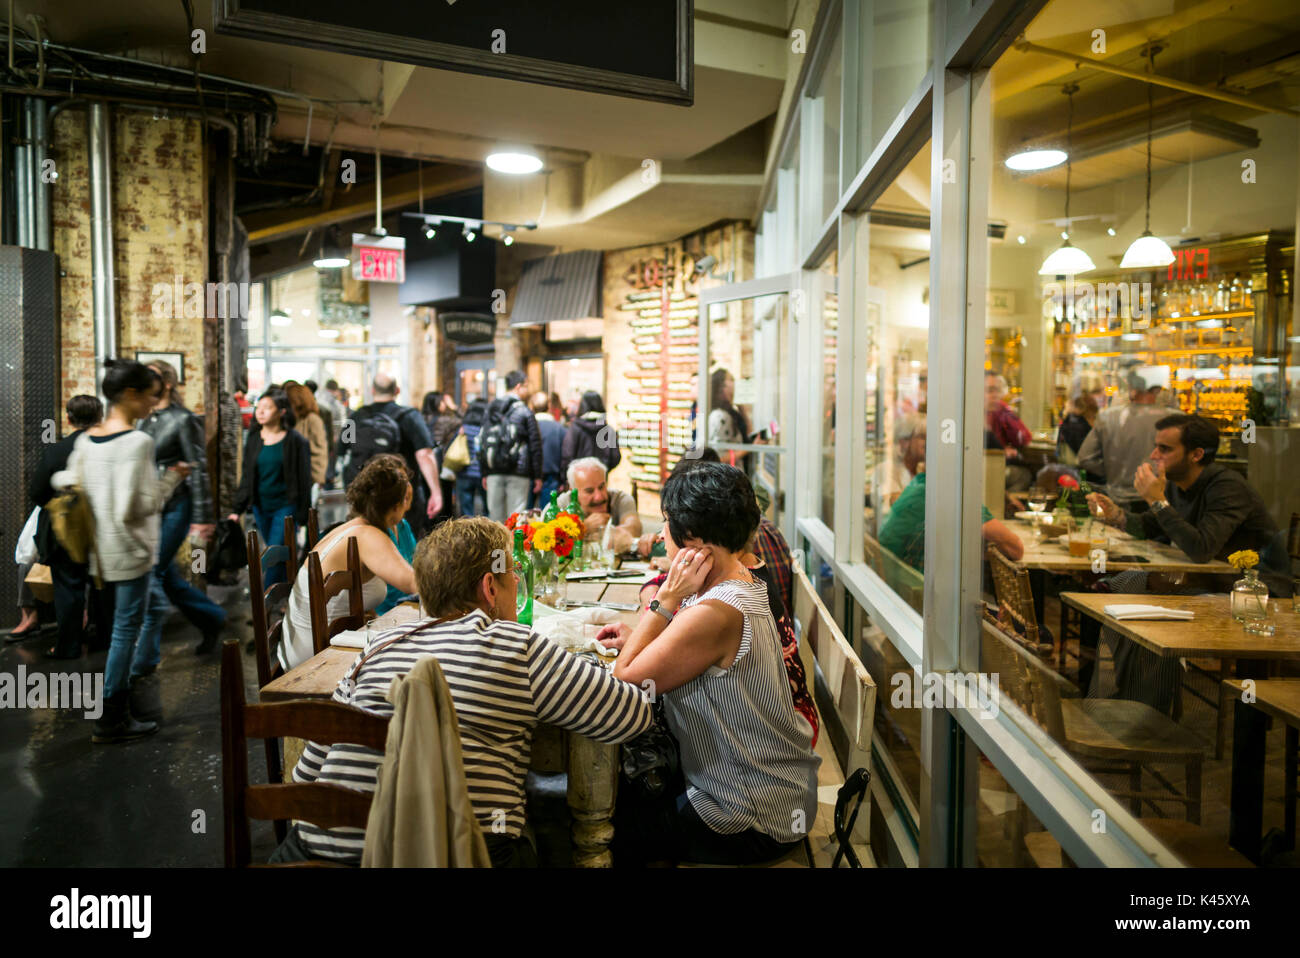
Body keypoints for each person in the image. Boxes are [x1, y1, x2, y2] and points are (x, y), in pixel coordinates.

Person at [279, 517, 653, 866]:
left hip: (322, 854)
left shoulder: (376, 646)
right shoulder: (514, 644)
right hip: (460, 851)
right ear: (490, 588)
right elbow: (632, 716)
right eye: (513, 575)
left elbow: (305, 774)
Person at [595, 462, 819, 866]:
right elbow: (687, 652)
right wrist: (652, 640)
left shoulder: (716, 611)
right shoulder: (741, 580)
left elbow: (622, 682)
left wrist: (664, 597)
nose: (662, 534)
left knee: (614, 825)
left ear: (696, 543)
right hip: (782, 790)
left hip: (750, 816)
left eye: (666, 523)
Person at [1086, 414, 1290, 712]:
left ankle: (1145, 711)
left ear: (1196, 454)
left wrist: (1157, 502)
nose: (1155, 455)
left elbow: (1201, 548)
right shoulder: (1175, 484)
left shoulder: (1227, 487)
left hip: (1255, 596)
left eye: (1165, 449)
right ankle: (1125, 701)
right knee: (1126, 589)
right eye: (1156, 447)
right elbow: (1151, 526)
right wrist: (1115, 514)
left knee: (1153, 610)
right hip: (1208, 583)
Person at [52, 360, 189, 744]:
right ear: (130, 395)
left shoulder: (86, 440)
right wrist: (173, 479)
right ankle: (112, 716)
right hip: (131, 551)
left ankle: (117, 706)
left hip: (98, 552)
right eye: (150, 395)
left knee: (119, 629)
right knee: (124, 632)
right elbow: (140, 504)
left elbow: (65, 479)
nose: (152, 404)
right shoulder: (137, 443)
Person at [278, 455, 420, 671]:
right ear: (394, 506)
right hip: (313, 655)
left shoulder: (354, 526)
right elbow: (415, 584)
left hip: (300, 645)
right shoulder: (368, 536)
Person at [138, 361, 227, 672]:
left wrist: (203, 518)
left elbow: (199, 468)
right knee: (167, 574)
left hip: (178, 503)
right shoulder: (145, 418)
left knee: (155, 570)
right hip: (152, 505)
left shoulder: (183, 419)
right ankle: (213, 617)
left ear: (165, 383)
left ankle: (144, 657)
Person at [28, 395, 111, 659]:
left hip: (64, 532)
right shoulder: (108, 448)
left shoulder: (56, 450)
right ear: (100, 417)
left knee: (68, 589)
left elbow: (37, 492)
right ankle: (104, 639)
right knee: (102, 587)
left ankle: (68, 645)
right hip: (102, 530)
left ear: (68, 418)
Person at [229, 388, 312, 587]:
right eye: (259, 407)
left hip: (286, 506)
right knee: (280, 554)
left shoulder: (296, 441)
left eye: (267, 407)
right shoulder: (255, 438)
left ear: (282, 412)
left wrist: (304, 515)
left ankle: (264, 603)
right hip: (261, 506)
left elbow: (303, 480)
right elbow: (247, 474)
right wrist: (236, 509)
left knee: (273, 552)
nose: (260, 411)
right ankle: (286, 598)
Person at [341, 374, 442, 537]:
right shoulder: (410, 416)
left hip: (366, 496)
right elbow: (425, 454)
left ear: (372, 390)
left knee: (366, 539)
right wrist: (436, 492)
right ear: (397, 390)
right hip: (401, 495)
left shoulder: (355, 418)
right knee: (406, 541)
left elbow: (343, 451)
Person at [879, 468, 1024, 572]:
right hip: (921, 595)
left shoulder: (919, 484)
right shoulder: (953, 496)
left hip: (895, 582)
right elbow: (1016, 549)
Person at [1077, 371, 1167, 511]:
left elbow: (1085, 458)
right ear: (1157, 390)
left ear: (1131, 389)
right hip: (1157, 498)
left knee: (1117, 530)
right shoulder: (1172, 418)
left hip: (1116, 498)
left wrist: (1112, 471)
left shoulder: (1108, 416)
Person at [480, 371, 542, 523]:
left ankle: (498, 547)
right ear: (518, 386)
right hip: (519, 472)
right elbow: (535, 444)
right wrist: (538, 476)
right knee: (516, 519)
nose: (528, 391)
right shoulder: (524, 411)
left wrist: (485, 471)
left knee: (495, 520)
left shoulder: (491, 408)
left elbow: (482, 441)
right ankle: (514, 546)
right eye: (526, 386)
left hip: (494, 471)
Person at [568, 457, 642, 554]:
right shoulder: (561, 504)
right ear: (573, 492)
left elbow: (634, 530)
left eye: (601, 487)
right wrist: (585, 527)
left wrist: (601, 533)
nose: (599, 497)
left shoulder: (622, 499)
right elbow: (551, 539)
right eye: (589, 491)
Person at [984, 372, 1033, 491]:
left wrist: (1004, 410)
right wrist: (1002, 451)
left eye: (997, 390)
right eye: (990, 390)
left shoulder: (1000, 412)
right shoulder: (972, 413)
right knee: (1023, 476)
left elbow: (1024, 438)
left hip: (996, 463)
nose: (995, 395)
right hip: (983, 468)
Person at [422, 391, 462, 526]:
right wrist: (454, 406)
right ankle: (443, 529)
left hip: (423, 466)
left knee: (426, 497)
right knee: (444, 500)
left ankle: (427, 528)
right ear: (437, 404)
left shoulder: (419, 418)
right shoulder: (445, 420)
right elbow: (466, 419)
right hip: (441, 466)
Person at [559, 390, 620, 478]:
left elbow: (567, 455)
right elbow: (615, 457)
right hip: (600, 479)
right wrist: (604, 469)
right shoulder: (608, 430)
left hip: (579, 479)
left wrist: (566, 476)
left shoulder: (575, 429)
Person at [707, 368, 757, 472]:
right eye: (731, 379)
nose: (736, 383)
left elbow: (747, 434)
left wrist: (741, 407)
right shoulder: (720, 416)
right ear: (722, 386)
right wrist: (753, 447)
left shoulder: (731, 412)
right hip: (730, 477)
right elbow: (720, 458)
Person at [283, 381, 328, 490]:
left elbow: (319, 451)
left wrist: (317, 481)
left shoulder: (312, 420)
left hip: (306, 480)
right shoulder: (289, 418)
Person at [530, 392, 565, 508]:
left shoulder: (528, 426)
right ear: (548, 406)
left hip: (530, 475)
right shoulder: (559, 428)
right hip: (552, 477)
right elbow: (565, 455)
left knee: (525, 515)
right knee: (548, 512)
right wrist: (563, 479)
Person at [456, 396, 489, 517]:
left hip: (464, 472)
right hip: (482, 473)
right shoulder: (485, 429)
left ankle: (468, 534)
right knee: (486, 510)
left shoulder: (463, 429)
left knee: (466, 512)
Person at [316, 379, 345, 487]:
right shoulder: (334, 402)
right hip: (330, 438)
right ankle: (328, 483)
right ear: (335, 390)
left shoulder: (318, 399)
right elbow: (339, 423)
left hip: (320, 438)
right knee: (329, 467)